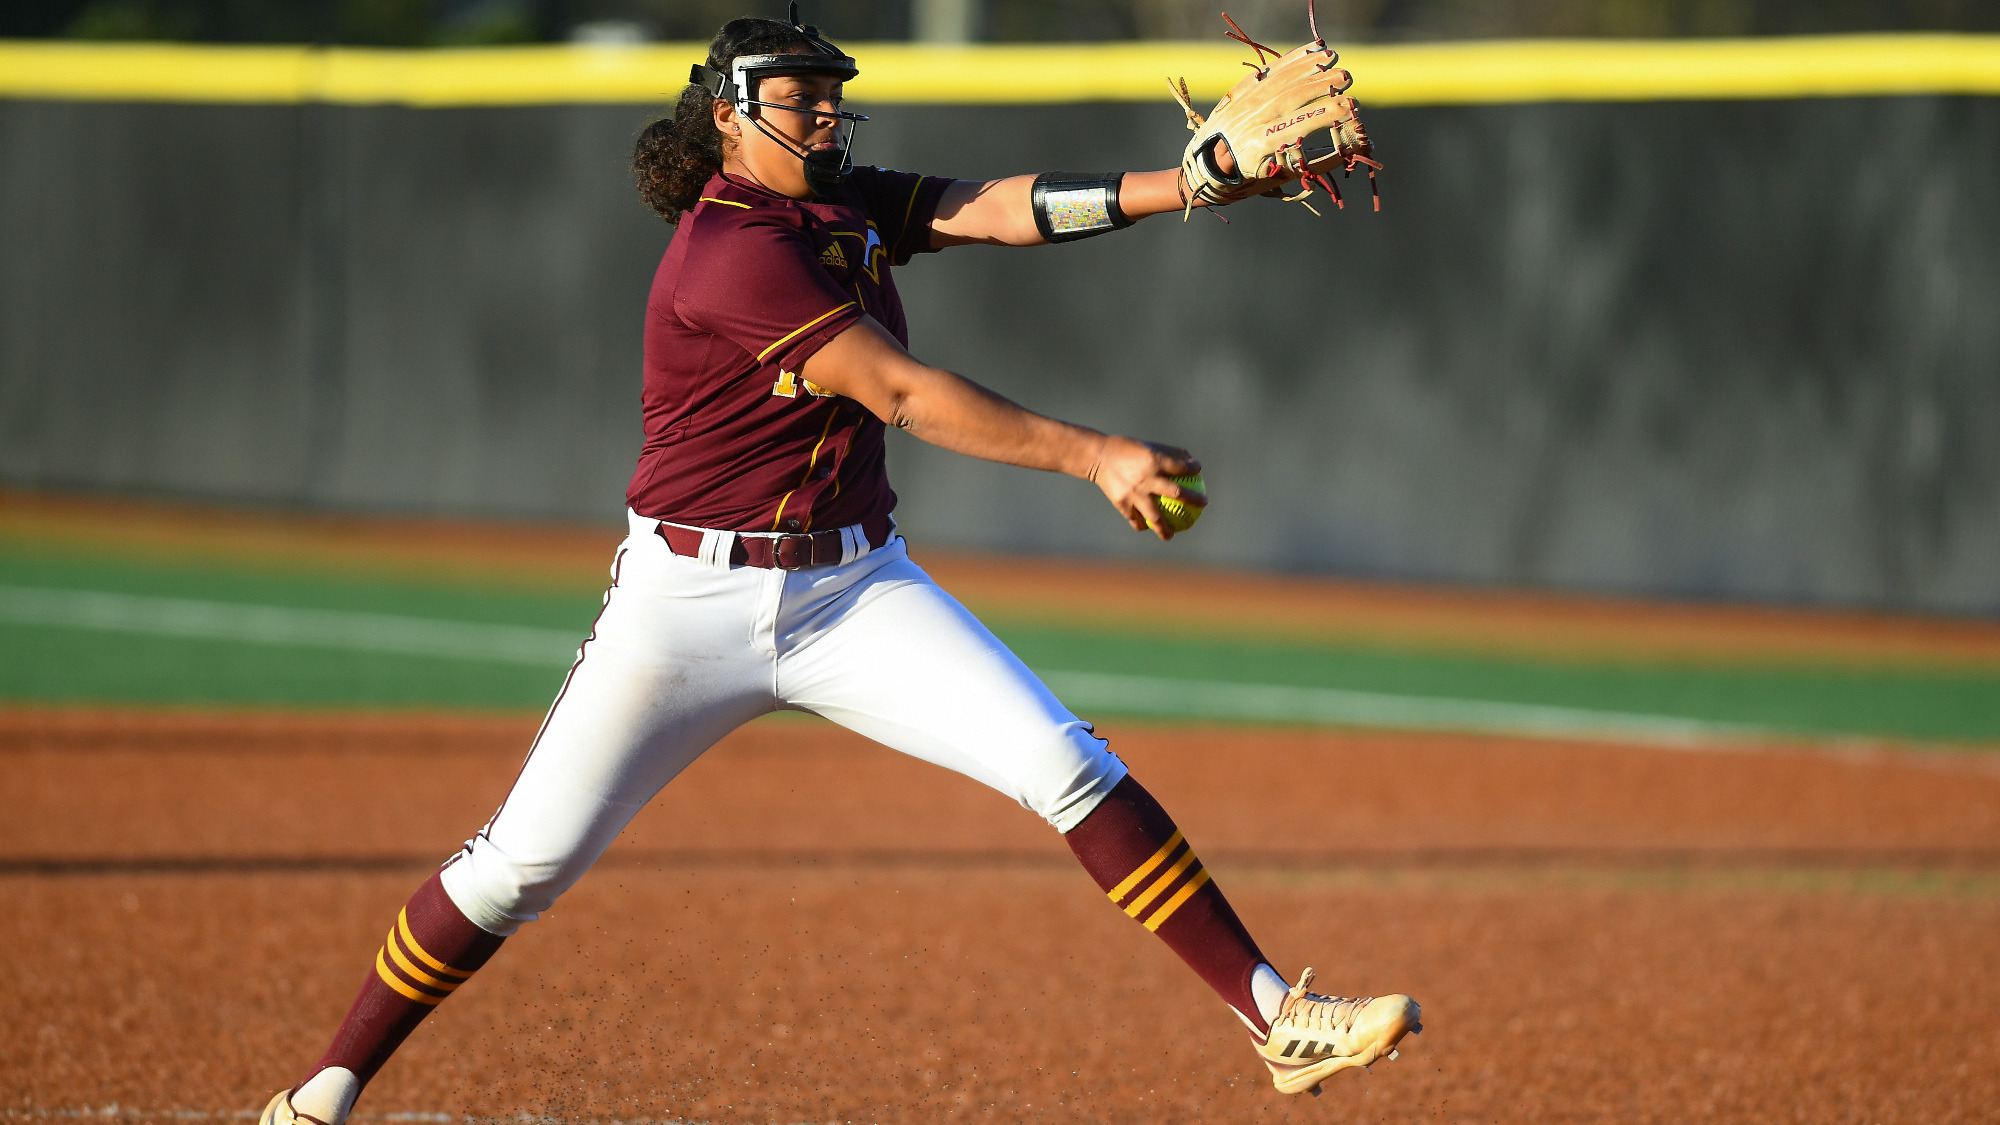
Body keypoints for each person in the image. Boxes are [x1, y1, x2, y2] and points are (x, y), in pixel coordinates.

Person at [258, 11, 1417, 1124]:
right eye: (797, 101)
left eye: (831, 99)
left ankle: (1275, 1018)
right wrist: (1092, 455)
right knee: (519, 870)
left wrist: (1191, 180)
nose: (824, 118)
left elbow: (998, 209)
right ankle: (324, 1093)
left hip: (852, 589)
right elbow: (902, 393)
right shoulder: (726, 253)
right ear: (726, 115)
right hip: (688, 605)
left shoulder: (837, 204)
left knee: (1063, 763)